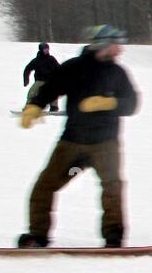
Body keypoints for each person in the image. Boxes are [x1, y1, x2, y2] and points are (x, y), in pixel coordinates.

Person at [16, 25, 139, 248]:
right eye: (115, 43)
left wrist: (111, 103)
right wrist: (34, 106)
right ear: (101, 44)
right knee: (45, 185)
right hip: (72, 144)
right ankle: (37, 236)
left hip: (106, 145)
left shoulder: (118, 73)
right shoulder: (73, 68)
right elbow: (50, 88)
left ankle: (114, 237)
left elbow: (132, 104)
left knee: (112, 187)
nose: (120, 49)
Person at [22, 43, 61, 112]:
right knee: (32, 92)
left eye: (47, 49)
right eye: (45, 49)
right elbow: (27, 69)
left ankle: (54, 107)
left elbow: (60, 69)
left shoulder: (52, 59)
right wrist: (26, 80)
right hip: (39, 81)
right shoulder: (36, 60)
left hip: (50, 81)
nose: (46, 51)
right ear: (41, 50)